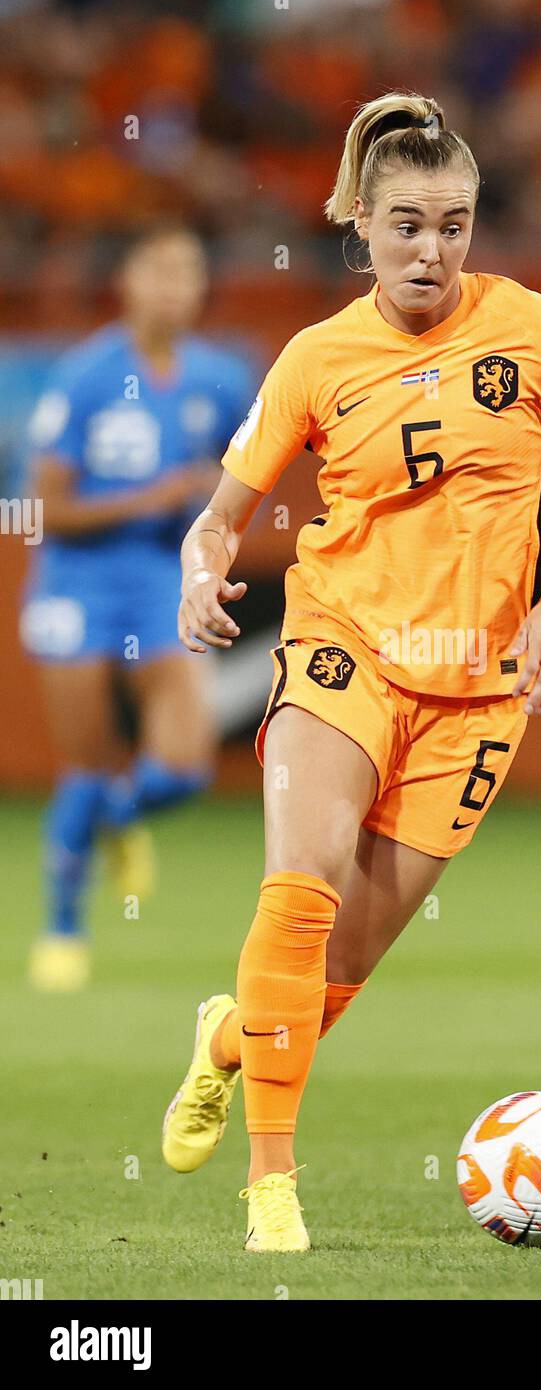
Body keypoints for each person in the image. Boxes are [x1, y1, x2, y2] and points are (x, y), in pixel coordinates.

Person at [160, 93, 541, 1253]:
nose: (433, 251)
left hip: (475, 693)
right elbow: (220, 519)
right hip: (343, 649)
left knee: (337, 967)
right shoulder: (317, 360)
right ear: (358, 224)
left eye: (456, 226)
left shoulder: (536, 336)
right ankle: (271, 1186)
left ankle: (229, 1039)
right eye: (408, 226)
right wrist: (196, 571)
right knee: (301, 882)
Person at [21, 225, 254, 992]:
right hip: (78, 585)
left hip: (161, 581)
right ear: (126, 281)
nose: (173, 287)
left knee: (185, 768)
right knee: (84, 763)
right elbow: (40, 509)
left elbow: (242, 478)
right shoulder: (87, 375)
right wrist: (148, 498)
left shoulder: (220, 379)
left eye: (188, 272)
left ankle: (123, 819)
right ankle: (63, 928)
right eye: (158, 270)